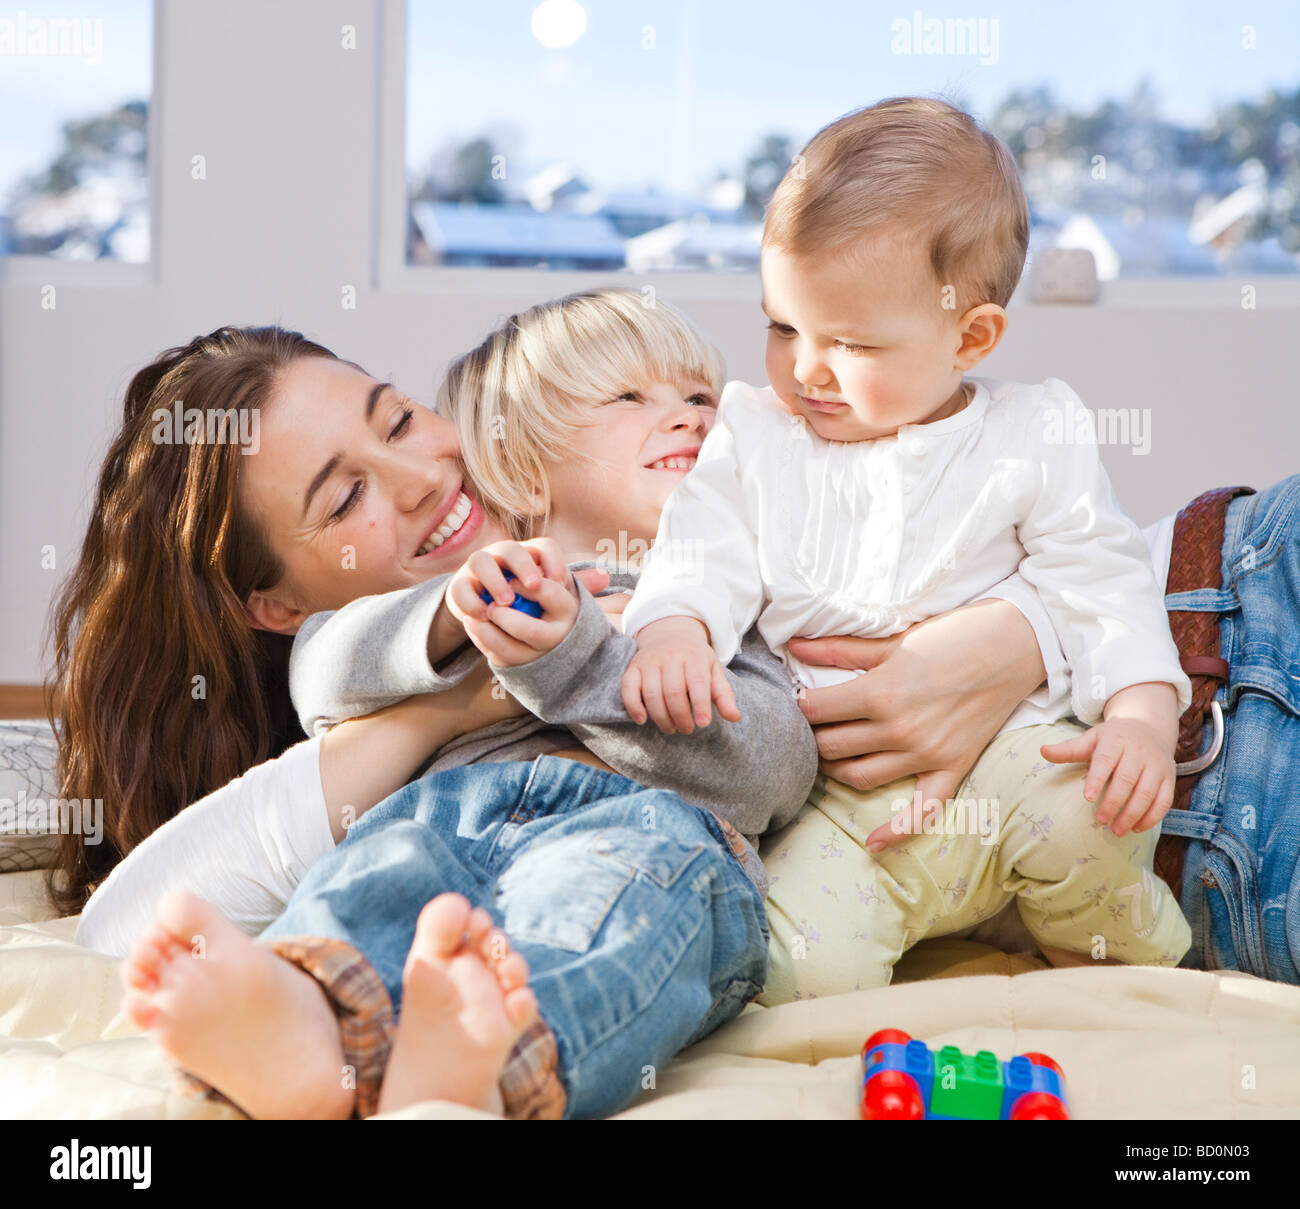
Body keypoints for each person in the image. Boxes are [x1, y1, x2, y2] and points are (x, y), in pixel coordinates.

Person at [73, 291, 1053, 1118]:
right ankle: (308, 1025)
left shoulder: (724, 598)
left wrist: (583, 660)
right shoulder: (389, 661)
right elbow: (324, 671)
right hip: (443, 815)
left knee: (595, 917)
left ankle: (478, 1071)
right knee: (376, 880)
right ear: (275, 604)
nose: (420, 478)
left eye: (400, 418)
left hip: (649, 828)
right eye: (344, 500)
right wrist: (451, 633)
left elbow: (770, 766)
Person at [621, 97, 1194, 997]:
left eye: (848, 342)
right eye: (782, 326)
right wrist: (673, 628)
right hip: (845, 800)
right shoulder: (756, 434)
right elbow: (703, 541)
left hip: (1013, 758)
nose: (805, 368)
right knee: (796, 967)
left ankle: (1127, 963)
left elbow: (1102, 579)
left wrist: (1141, 717)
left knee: (1094, 821)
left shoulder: (1033, 431)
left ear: (969, 336)